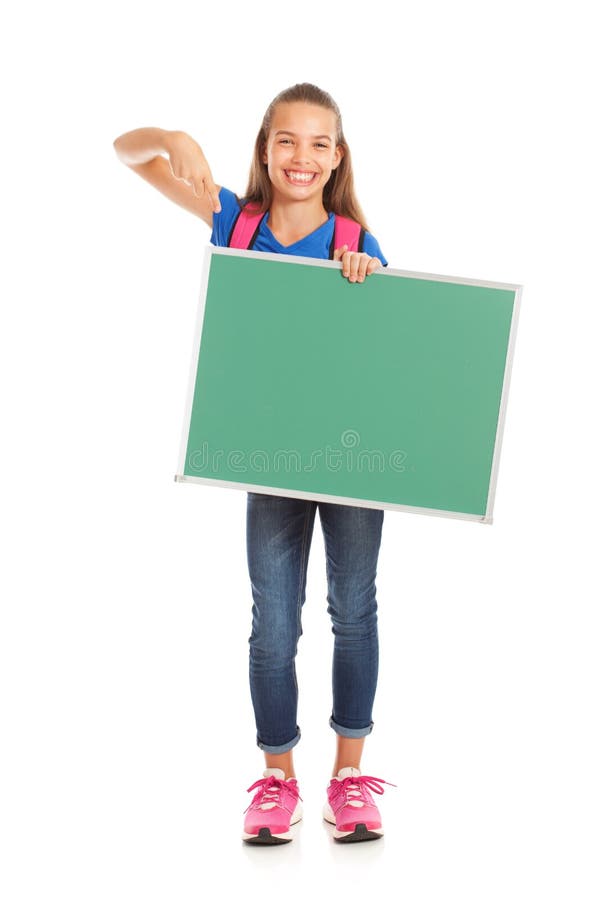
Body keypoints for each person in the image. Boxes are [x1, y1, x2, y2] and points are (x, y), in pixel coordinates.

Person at [113, 82, 395, 845]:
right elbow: (125, 153)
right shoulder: (231, 219)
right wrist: (175, 136)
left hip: (349, 458)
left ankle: (349, 777)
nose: (302, 158)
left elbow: (389, 356)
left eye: (319, 144)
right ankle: (277, 781)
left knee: (353, 609)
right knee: (273, 622)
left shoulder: (354, 241)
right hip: (269, 455)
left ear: (337, 159)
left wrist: (364, 284)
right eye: (288, 140)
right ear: (267, 146)